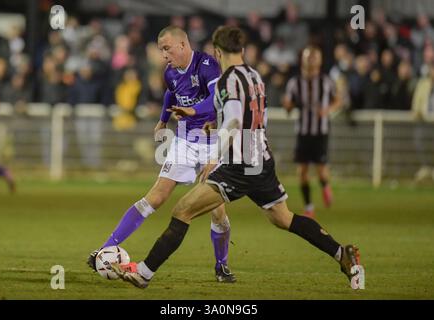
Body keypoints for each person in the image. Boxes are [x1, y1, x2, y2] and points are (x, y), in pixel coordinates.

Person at [110, 26, 362, 290]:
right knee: (283, 218)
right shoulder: (254, 76)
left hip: (237, 164)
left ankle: (144, 273)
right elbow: (254, 120)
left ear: (217, 52)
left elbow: (231, 122)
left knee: (182, 210)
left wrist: (214, 157)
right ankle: (341, 253)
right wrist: (216, 128)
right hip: (260, 158)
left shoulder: (227, 80)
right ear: (242, 50)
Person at [88, 26, 236, 283]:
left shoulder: (207, 64)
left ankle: (221, 265)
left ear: (182, 44)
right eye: (161, 50)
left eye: (167, 48)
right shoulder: (170, 72)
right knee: (155, 196)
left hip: (214, 141)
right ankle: (104, 249)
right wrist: (162, 120)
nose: (164, 54)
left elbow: (214, 97)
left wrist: (192, 112)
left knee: (217, 212)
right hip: (185, 140)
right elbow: (170, 93)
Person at [283, 46, 342, 218]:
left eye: (315, 57)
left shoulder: (326, 81)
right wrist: (288, 105)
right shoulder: (295, 82)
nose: (311, 60)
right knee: (302, 171)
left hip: (320, 131)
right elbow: (287, 102)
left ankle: (325, 185)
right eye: (309, 57)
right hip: (303, 131)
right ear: (303, 59)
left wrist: (328, 109)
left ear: (320, 60)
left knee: (322, 170)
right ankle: (309, 206)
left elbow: (338, 100)